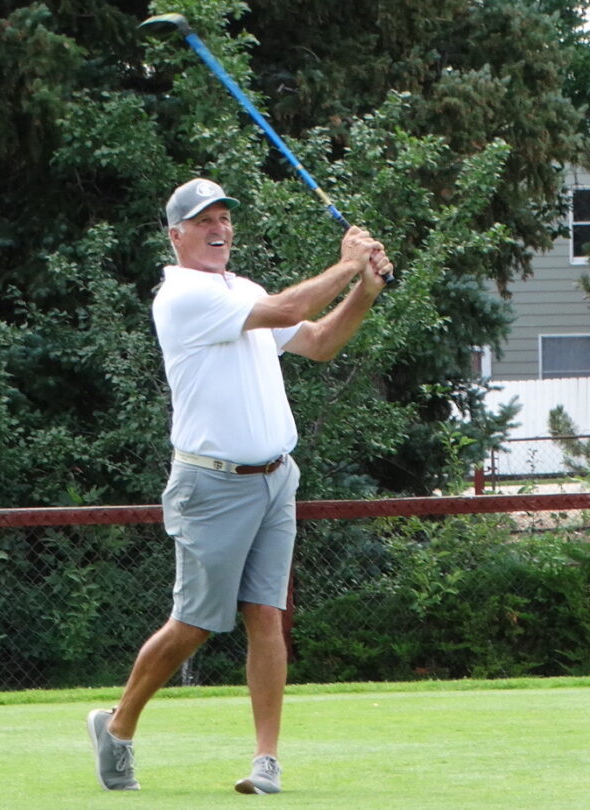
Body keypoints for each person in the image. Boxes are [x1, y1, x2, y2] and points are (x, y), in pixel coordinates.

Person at [87, 178, 393, 794]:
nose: (219, 228)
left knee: (266, 617)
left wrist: (366, 288)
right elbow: (288, 310)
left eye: (224, 217)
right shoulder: (181, 298)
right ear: (176, 235)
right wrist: (346, 262)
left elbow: (318, 341)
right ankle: (117, 727)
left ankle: (265, 761)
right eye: (203, 221)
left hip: (276, 477)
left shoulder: (243, 290)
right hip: (211, 484)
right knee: (194, 624)